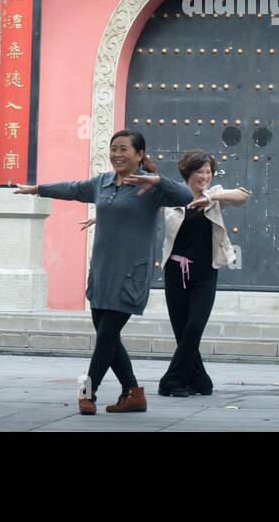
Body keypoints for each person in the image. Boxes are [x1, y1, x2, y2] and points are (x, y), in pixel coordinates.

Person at [14, 129, 192, 415]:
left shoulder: (151, 187)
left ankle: (88, 392)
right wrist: (36, 189)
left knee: (107, 333)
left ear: (139, 154)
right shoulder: (103, 182)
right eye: (113, 149)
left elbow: (184, 195)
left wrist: (158, 179)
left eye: (124, 149)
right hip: (102, 271)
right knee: (108, 336)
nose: (117, 154)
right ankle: (132, 392)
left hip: (132, 273)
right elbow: (72, 189)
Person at [83, 149, 250, 397]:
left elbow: (243, 196)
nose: (205, 176)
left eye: (209, 172)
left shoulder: (215, 195)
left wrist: (211, 199)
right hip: (175, 271)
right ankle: (199, 380)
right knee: (182, 331)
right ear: (188, 174)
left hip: (205, 272)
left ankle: (171, 381)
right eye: (200, 172)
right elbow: (137, 208)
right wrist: (103, 217)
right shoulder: (173, 198)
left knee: (194, 327)